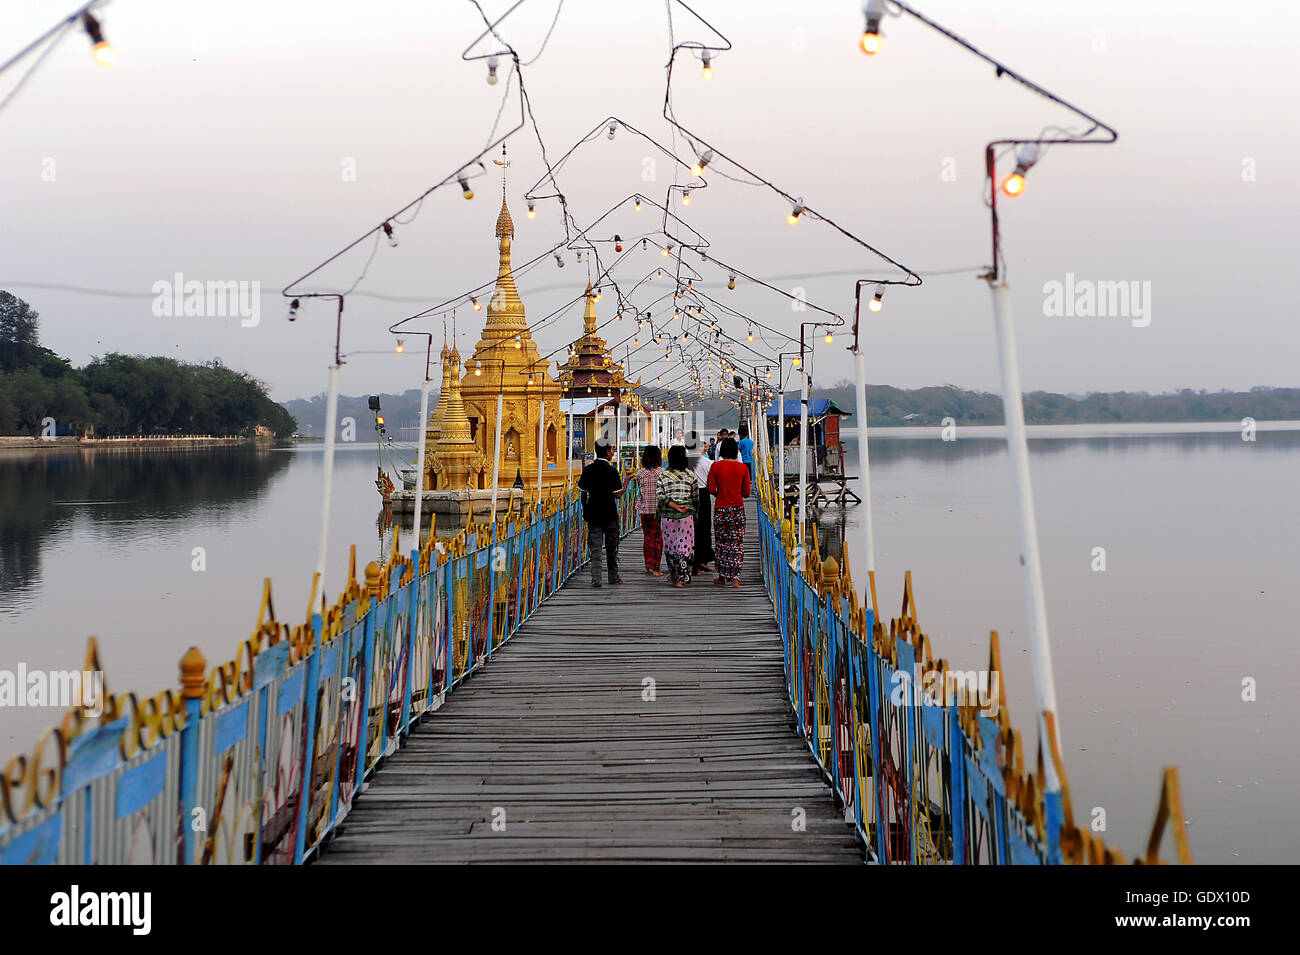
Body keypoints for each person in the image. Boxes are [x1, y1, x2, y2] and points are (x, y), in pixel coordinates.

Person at [578, 439, 626, 587]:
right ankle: (613, 577)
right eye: (612, 450)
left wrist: (585, 509)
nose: (613, 453)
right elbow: (617, 495)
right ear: (607, 452)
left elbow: (583, 493)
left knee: (596, 548)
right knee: (612, 548)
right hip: (610, 513)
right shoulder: (612, 471)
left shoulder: (588, 470)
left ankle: (596, 579)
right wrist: (626, 483)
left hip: (593, 513)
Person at [708, 436, 751, 588]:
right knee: (736, 544)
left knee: (721, 543)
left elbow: (711, 489)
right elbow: (747, 492)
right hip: (737, 510)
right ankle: (736, 579)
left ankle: (721, 576)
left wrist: (720, 493)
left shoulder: (715, 467)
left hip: (721, 510)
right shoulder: (743, 468)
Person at [657, 444, 696, 588]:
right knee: (685, 547)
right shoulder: (690, 474)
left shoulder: (663, 475)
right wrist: (690, 509)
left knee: (670, 547)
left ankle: (674, 576)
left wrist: (674, 506)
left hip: (667, 517)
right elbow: (695, 496)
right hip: (686, 516)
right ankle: (682, 577)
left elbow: (660, 496)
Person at [633, 445, 664, 576]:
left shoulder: (640, 473)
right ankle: (656, 568)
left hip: (645, 510)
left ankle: (648, 565)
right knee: (658, 539)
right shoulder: (663, 472)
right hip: (659, 510)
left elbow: (640, 489)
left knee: (647, 537)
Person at [692, 443, 714, 575]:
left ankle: (695, 563)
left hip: (689, 494)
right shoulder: (708, 462)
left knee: (691, 528)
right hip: (704, 494)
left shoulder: (686, 462)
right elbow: (711, 482)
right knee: (704, 527)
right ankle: (703, 560)